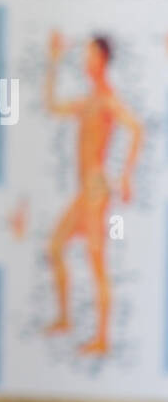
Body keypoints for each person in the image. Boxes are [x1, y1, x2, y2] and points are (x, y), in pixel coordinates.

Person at [43, 32, 144, 356]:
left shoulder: (107, 100)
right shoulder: (87, 102)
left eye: (91, 55)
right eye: (85, 55)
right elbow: (51, 106)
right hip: (83, 191)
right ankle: (65, 318)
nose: (86, 61)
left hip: (96, 190)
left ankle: (102, 338)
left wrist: (126, 176)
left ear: (102, 60)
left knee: (96, 263)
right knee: (56, 246)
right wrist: (54, 61)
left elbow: (136, 129)